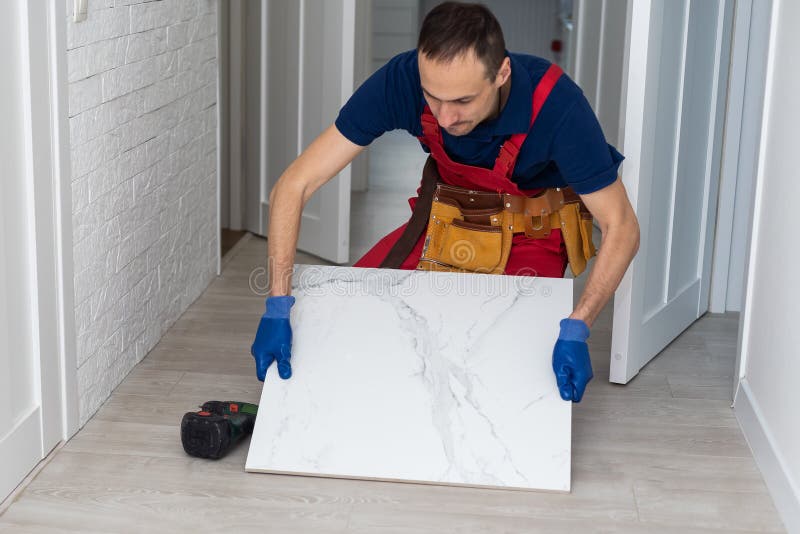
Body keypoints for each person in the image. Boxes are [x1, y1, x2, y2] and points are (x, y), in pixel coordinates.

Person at [251, 2, 639, 402]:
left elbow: (622, 227)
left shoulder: (557, 106)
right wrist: (278, 304)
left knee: (512, 374)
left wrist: (580, 324)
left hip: (531, 234)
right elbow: (293, 186)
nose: (446, 118)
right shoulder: (402, 79)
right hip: (445, 222)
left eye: (464, 102)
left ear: (501, 74)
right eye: (433, 98)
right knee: (349, 321)